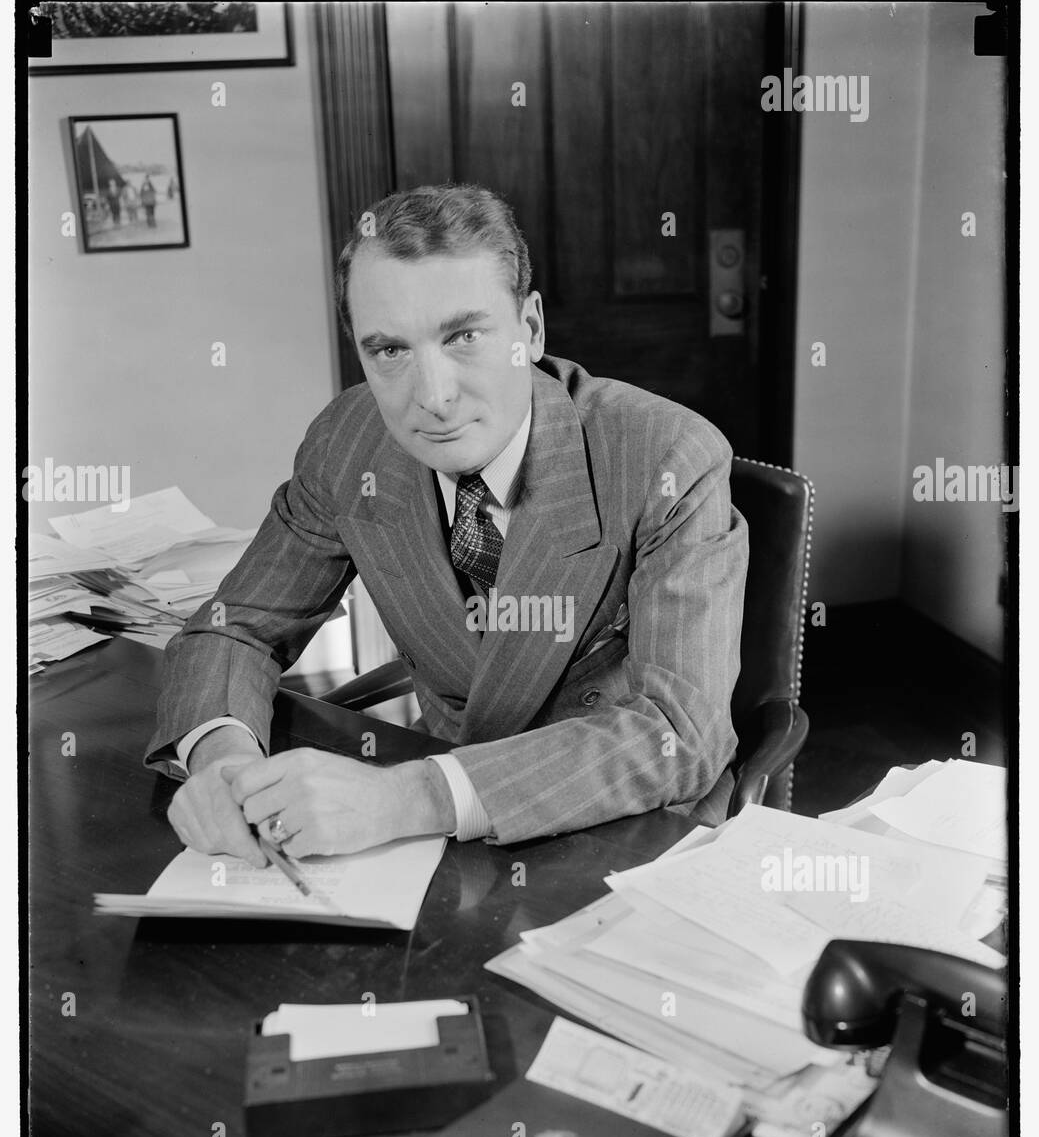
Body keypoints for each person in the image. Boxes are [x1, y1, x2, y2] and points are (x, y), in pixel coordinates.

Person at [146, 184, 748, 867]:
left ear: (531, 329)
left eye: (464, 336)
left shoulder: (666, 457)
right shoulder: (348, 443)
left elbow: (680, 735)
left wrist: (409, 798)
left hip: (633, 835)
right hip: (447, 846)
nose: (431, 398)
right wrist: (221, 762)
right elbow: (237, 624)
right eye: (390, 351)